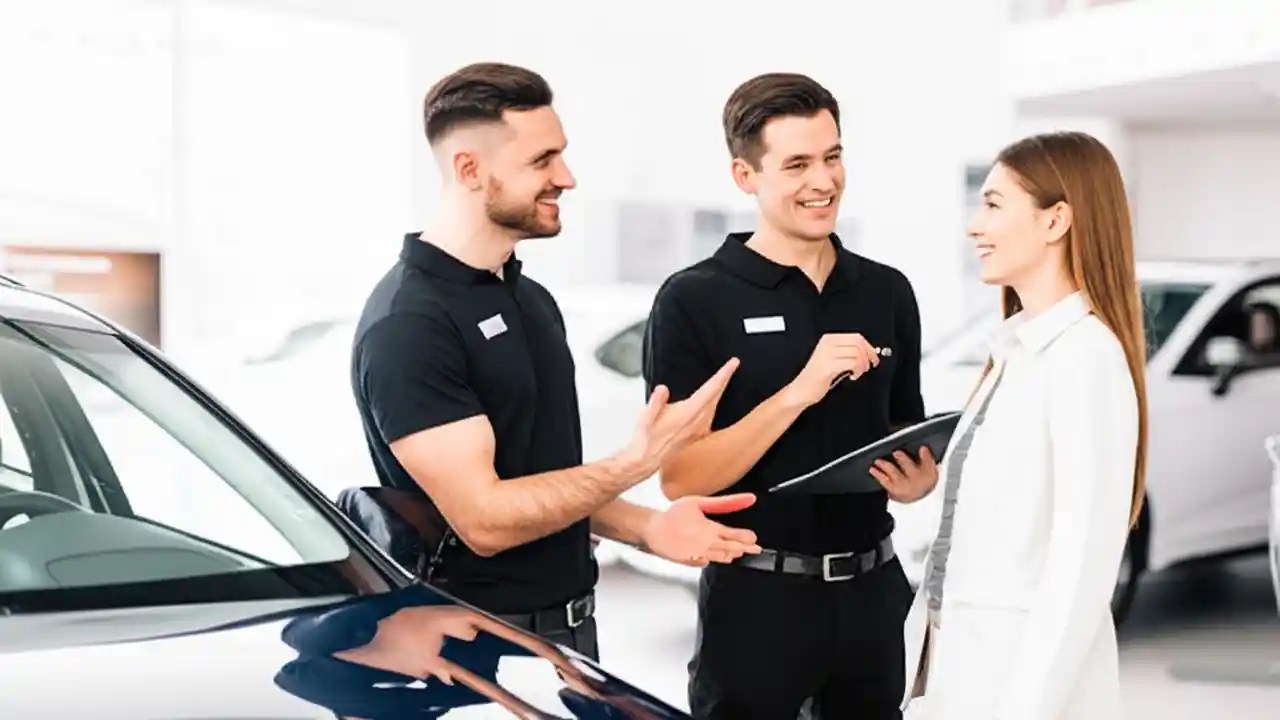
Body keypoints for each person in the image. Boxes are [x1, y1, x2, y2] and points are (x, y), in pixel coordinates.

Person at [349, 62, 762, 660]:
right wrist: (636, 462)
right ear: (469, 169)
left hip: (571, 635)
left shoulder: (530, 299)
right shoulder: (409, 324)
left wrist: (648, 528)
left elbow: (542, 482)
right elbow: (485, 519)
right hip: (478, 648)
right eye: (542, 160)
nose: (565, 178)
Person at [642, 72, 938, 720]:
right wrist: (797, 393)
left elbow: (905, 432)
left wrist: (917, 481)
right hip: (757, 604)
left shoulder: (887, 292)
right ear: (745, 176)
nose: (824, 181)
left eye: (833, 157)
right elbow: (679, 477)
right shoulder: (695, 300)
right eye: (798, 164)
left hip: (873, 598)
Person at [899, 131, 1148, 720]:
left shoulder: (1084, 356)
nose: (973, 226)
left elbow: (1079, 574)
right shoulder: (1016, 352)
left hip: (1016, 692)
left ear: (1055, 219)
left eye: (992, 203)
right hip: (957, 676)